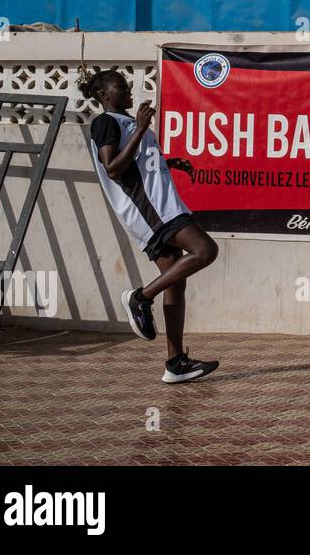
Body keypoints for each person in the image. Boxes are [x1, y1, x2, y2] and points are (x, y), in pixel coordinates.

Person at [82, 69, 220, 384]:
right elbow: (114, 168)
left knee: (176, 282)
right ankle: (141, 298)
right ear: (104, 94)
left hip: (159, 207)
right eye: (121, 86)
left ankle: (175, 363)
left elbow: (138, 165)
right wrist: (142, 129)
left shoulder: (128, 124)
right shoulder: (106, 122)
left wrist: (169, 162)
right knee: (205, 250)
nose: (128, 90)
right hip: (154, 211)